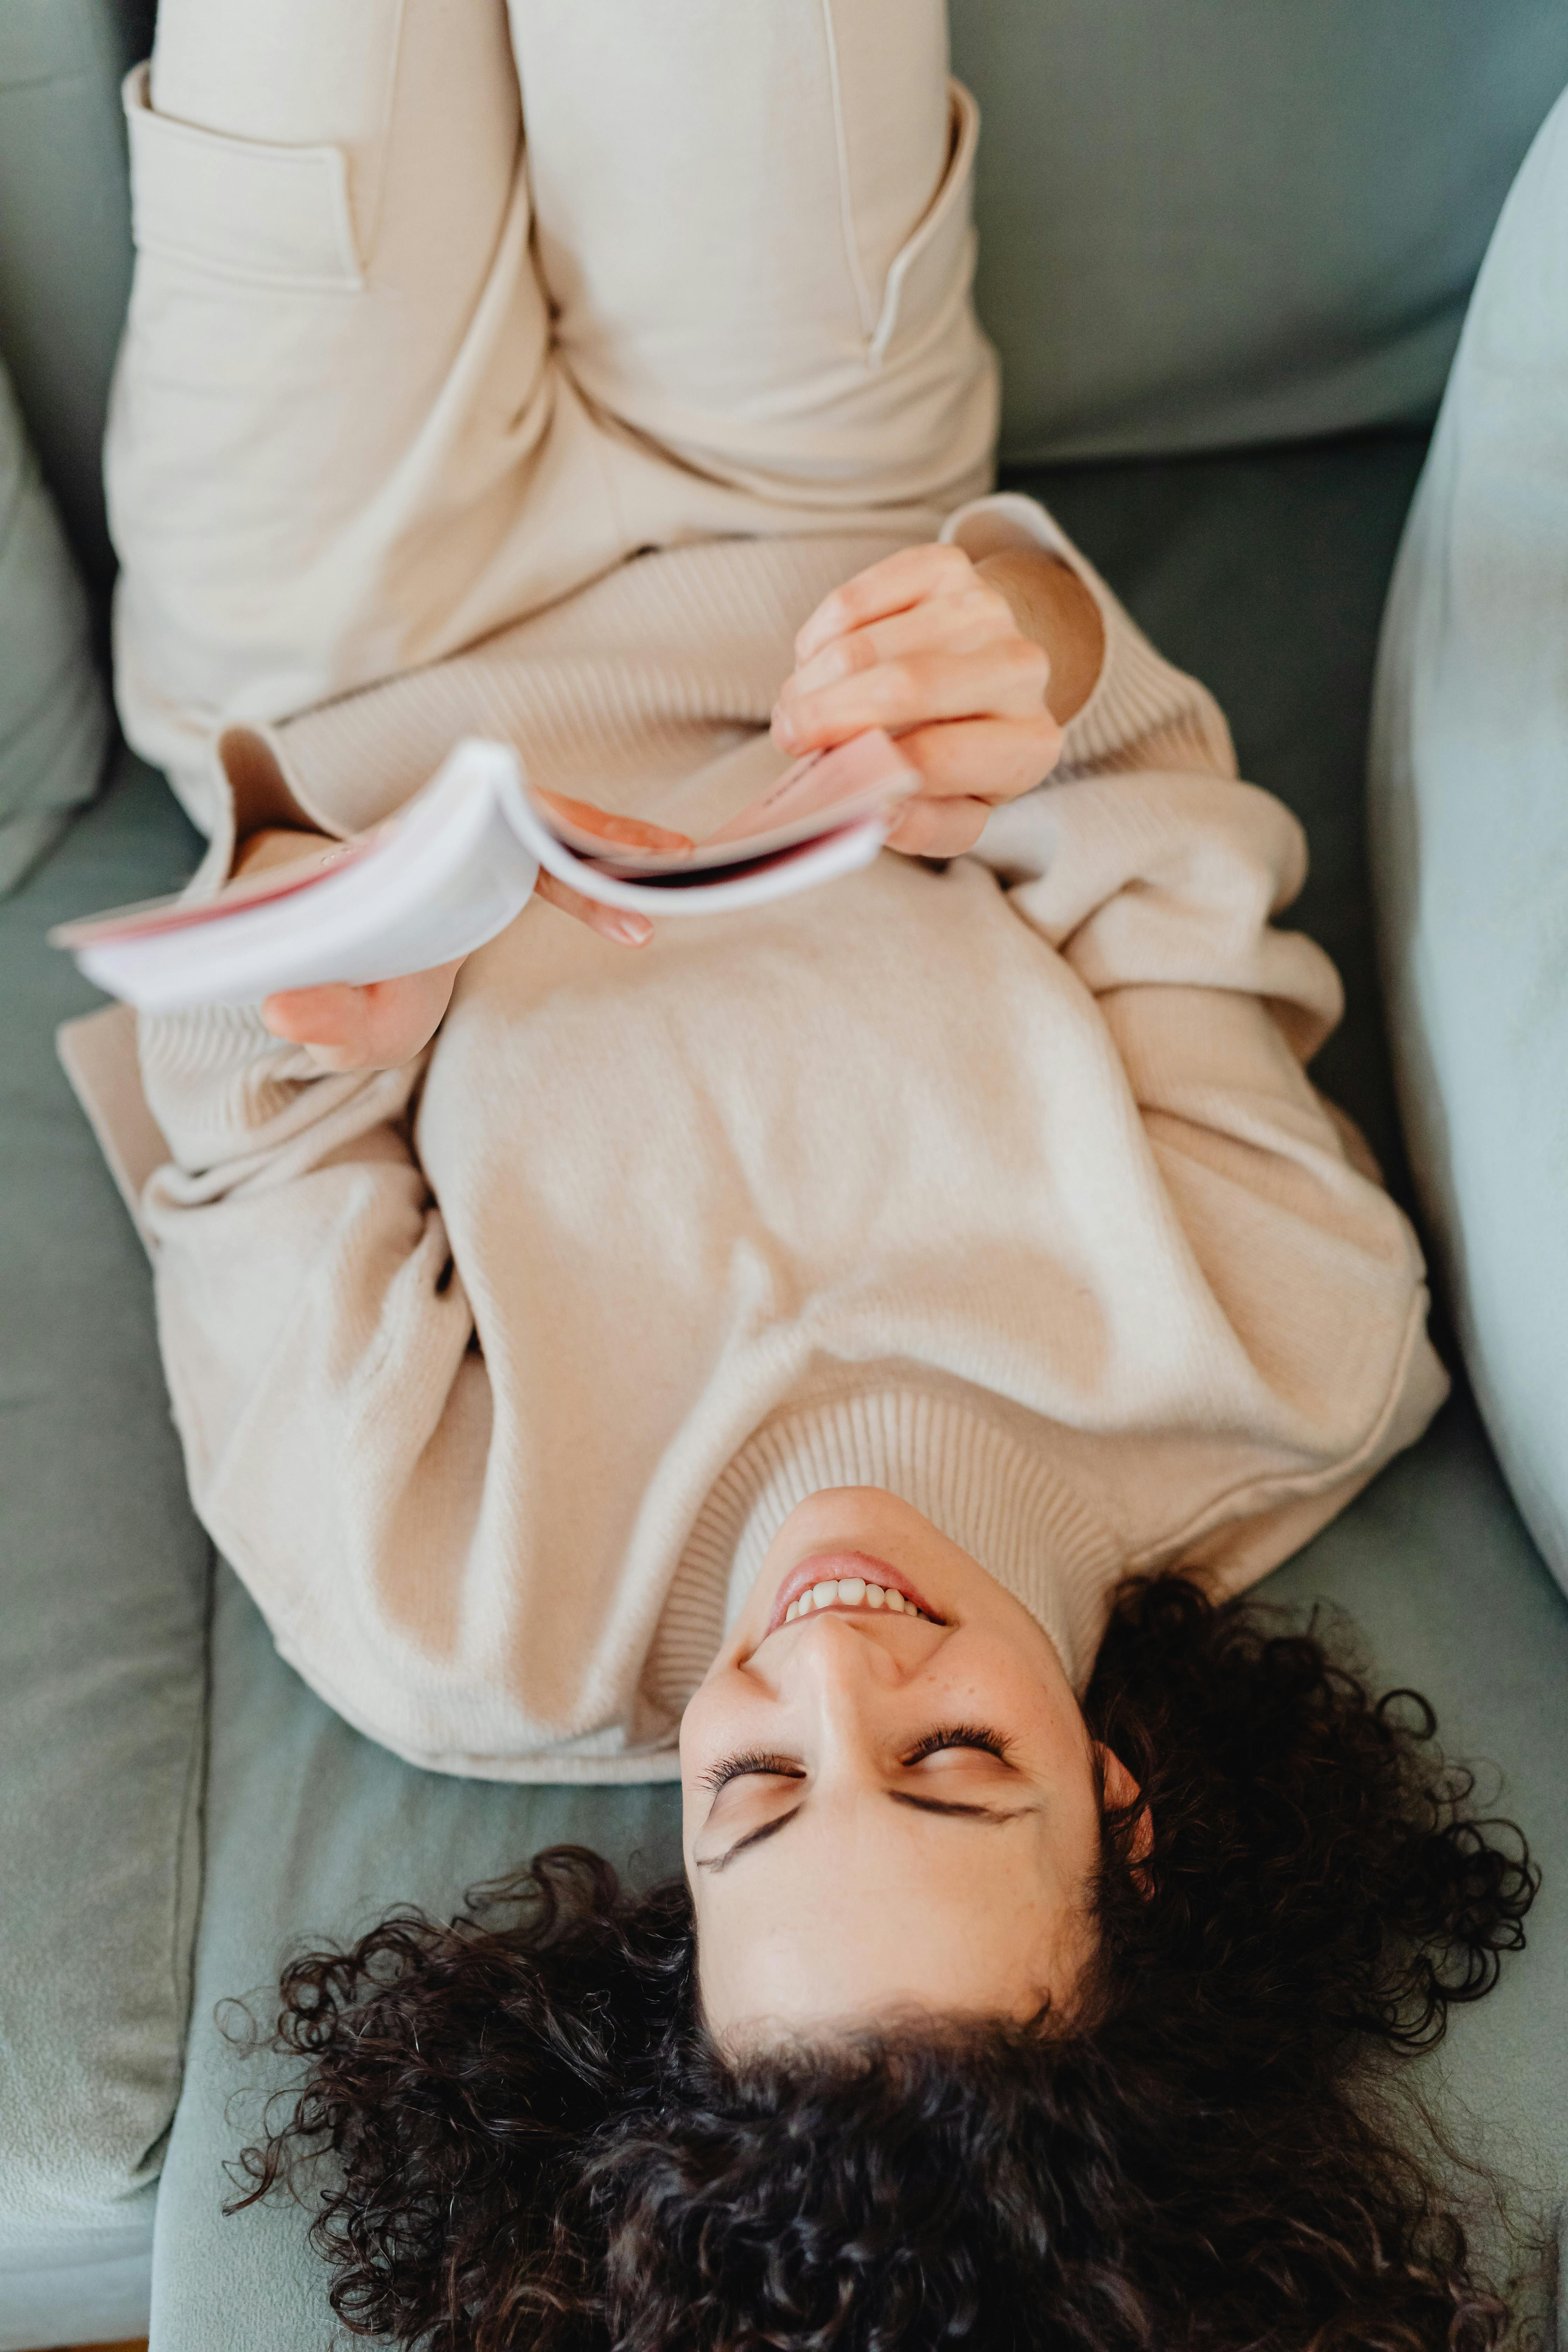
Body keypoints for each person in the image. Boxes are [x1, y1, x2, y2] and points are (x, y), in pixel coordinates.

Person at [90, 0, 1538, 2343]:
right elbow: (1145, 787)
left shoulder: (450, 1621)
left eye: (753, 1795)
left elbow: (240, 1131)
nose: (823, 1665)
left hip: (344, 646)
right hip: (814, 518)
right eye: (954, 1764)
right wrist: (1025, 658)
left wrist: (316, 986)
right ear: (1123, 1813)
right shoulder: (1292, 1352)